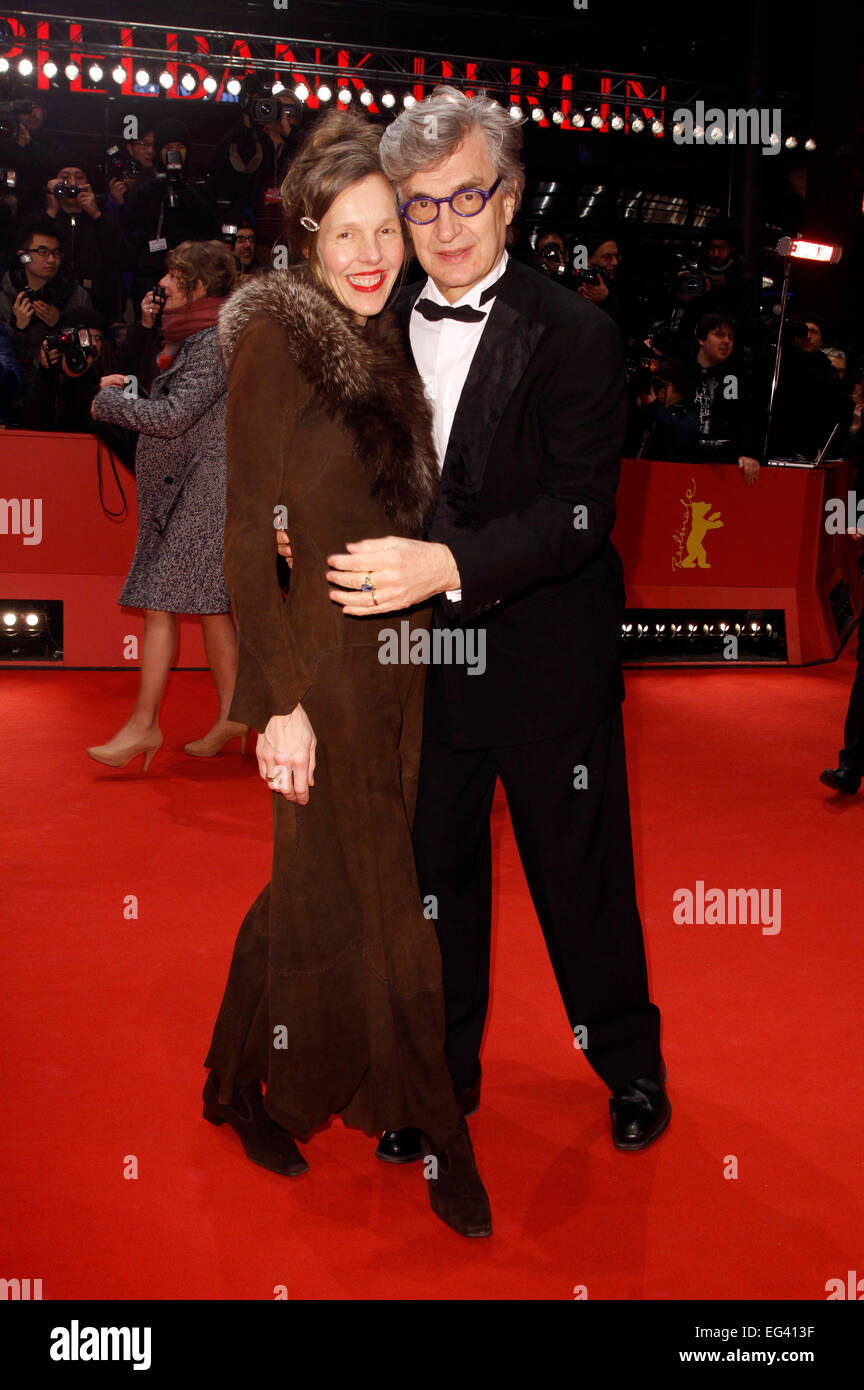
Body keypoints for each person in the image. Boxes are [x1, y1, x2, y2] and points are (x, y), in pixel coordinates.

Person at [313, 86, 668, 1163]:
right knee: (434, 884)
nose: (447, 225)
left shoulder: (579, 333)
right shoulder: (370, 326)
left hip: (548, 662)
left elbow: (577, 513)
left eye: (470, 195)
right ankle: (437, 1081)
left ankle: (630, 1063)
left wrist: (449, 563)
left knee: (580, 876)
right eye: (422, 205)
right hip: (422, 666)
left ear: (511, 200)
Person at [203, 109, 489, 1239]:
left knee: (312, 888)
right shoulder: (280, 341)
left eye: (388, 231)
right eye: (347, 235)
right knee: (388, 905)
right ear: (308, 241)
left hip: (397, 669)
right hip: (321, 676)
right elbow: (246, 536)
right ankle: (441, 1139)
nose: (372, 255)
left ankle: (231, 1082)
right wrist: (279, 704)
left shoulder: (382, 342)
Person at [88, 239, 244, 769]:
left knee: (160, 605)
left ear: (199, 285)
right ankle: (233, 714)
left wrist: (112, 404)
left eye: (175, 276)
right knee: (215, 610)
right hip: (191, 490)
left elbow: (175, 416)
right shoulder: (197, 338)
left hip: (201, 495)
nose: (165, 285)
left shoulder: (216, 339)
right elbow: (180, 411)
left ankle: (144, 726)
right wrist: (135, 395)